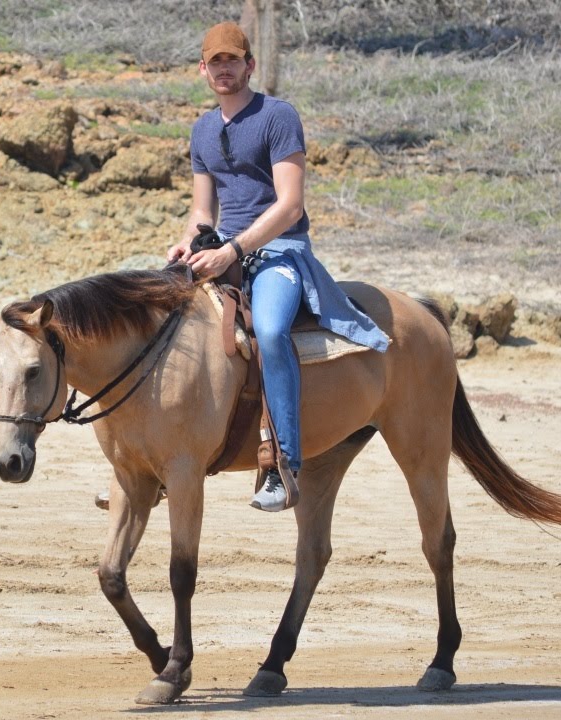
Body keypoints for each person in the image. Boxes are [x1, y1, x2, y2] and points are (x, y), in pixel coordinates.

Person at [167, 21, 391, 512]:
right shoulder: (203, 129)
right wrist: (188, 243)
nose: (225, 69)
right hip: (224, 247)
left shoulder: (278, 116)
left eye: (234, 60)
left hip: (281, 251)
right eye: (215, 62)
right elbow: (203, 211)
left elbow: (290, 206)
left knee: (268, 331)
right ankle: (163, 456)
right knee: (160, 316)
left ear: (250, 65)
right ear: (203, 69)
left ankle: (283, 465)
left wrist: (234, 251)